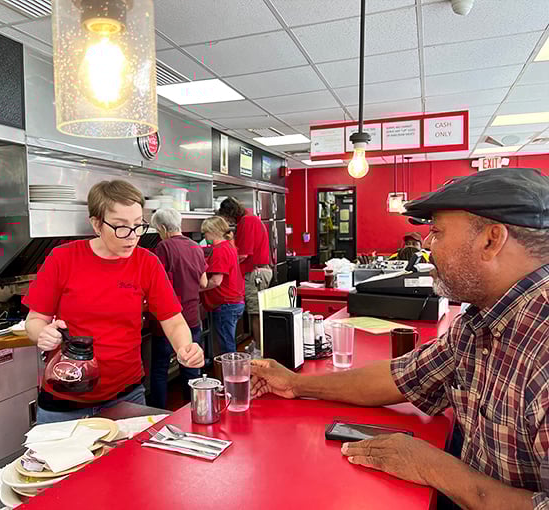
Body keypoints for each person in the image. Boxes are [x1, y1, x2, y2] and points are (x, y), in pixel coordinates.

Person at [249, 167, 549, 510]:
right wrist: (294, 385)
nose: (426, 244)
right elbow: (400, 376)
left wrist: (431, 466)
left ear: (491, 240)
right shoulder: (476, 325)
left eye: (437, 231)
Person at [23, 180, 204, 424]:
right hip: (64, 400)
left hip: (126, 397)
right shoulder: (62, 259)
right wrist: (42, 333)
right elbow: (34, 320)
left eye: (138, 226)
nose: (132, 237)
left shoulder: (146, 263)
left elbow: (172, 320)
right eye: (120, 227)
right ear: (96, 223)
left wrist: (185, 347)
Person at [148, 208, 208, 409]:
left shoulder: (164, 247)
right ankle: (194, 408)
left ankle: (159, 412)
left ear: (163, 228)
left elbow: (155, 284)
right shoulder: (195, 247)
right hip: (192, 316)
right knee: (191, 366)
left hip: (167, 321)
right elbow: (204, 282)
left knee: (160, 368)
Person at [218, 197, 272, 346]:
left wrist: (225, 262)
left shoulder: (246, 222)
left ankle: (260, 351)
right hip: (260, 270)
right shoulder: (250, 218)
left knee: (256, 314)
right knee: (256, 313)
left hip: (256, 273)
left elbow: (243, 255)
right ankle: (258, 346)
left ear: (230, 213)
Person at [200, 216, 245, 354]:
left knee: (227, 347)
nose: (205, 236)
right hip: (235, 301)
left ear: (213, 231)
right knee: (228, 341)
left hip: (226, 304)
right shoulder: (229, 246)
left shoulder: (220, 250)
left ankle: (232, 374)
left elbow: (216, 281)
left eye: (205, 233)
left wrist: (198, 288)